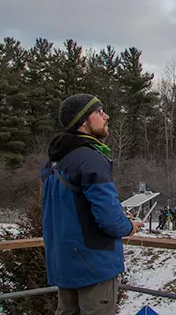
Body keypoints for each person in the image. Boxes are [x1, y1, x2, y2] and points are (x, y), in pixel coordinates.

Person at [41, 93, 144, 315]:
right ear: (83, 120)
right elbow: (111, 220)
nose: (106, 116)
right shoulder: (90, 160)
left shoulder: (53, 161)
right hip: (93, 264)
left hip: (64, 263)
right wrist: (129, 226)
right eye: (99, 111)